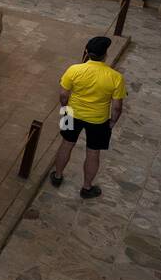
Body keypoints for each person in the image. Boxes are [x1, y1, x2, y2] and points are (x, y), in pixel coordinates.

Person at [50, 36, 127, 200]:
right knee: (93, 152)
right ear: (105, 54)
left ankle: (57, 176)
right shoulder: (115, 77)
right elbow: (117, 107)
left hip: (70, 113)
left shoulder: (74, 70)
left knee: (65, 144)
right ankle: (86, 187)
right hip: (99, 120)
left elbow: (63, 95)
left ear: (87, 52)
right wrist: (112, 122)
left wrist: (65, 108)